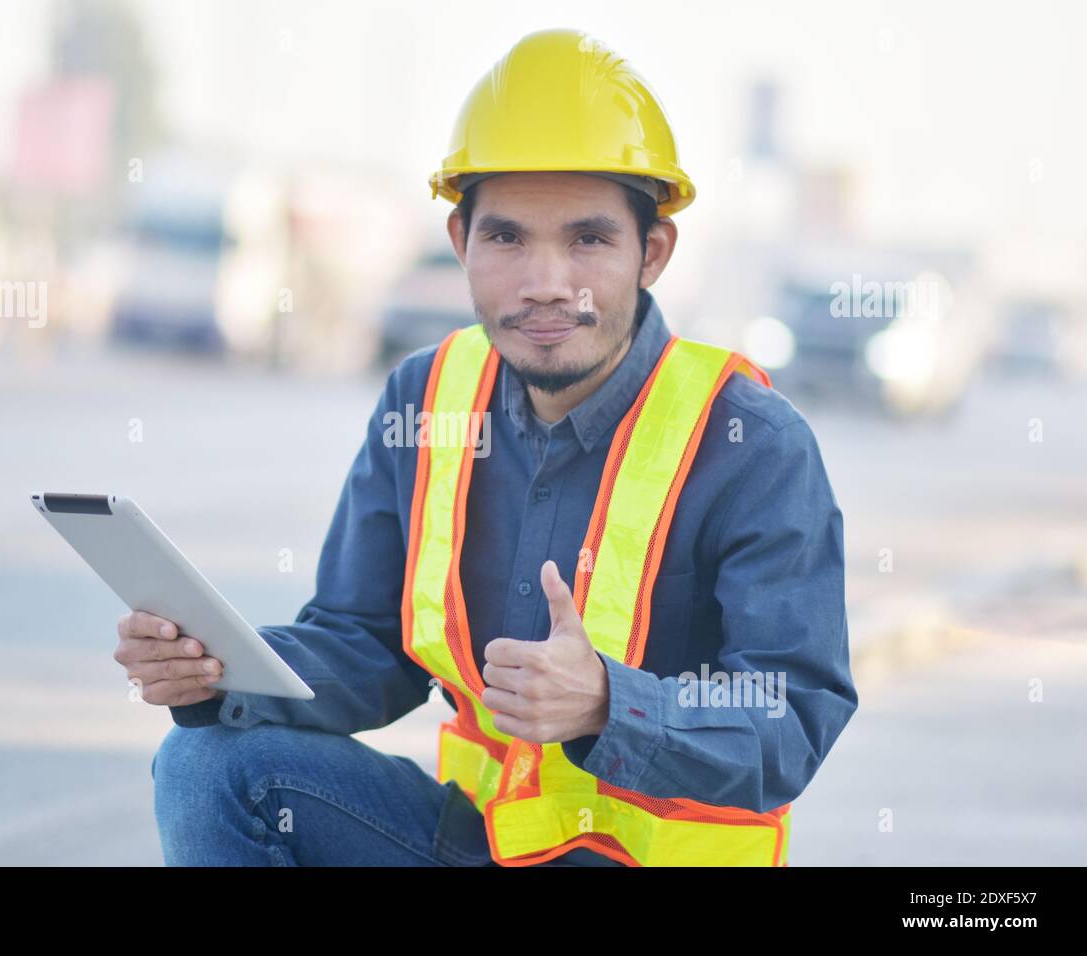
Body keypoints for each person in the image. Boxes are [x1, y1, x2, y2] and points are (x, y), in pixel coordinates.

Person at [120, 27, 858, 866]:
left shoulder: (751, 444)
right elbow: (369, 648)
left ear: (651, 252)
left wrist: (608, 703)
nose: (545, 281)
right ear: (461, 242)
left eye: (587, 239)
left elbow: (795, 713)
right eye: (507, 238)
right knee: (211, 765)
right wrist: (224, 670)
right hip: (477, 845)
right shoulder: (425, 401)